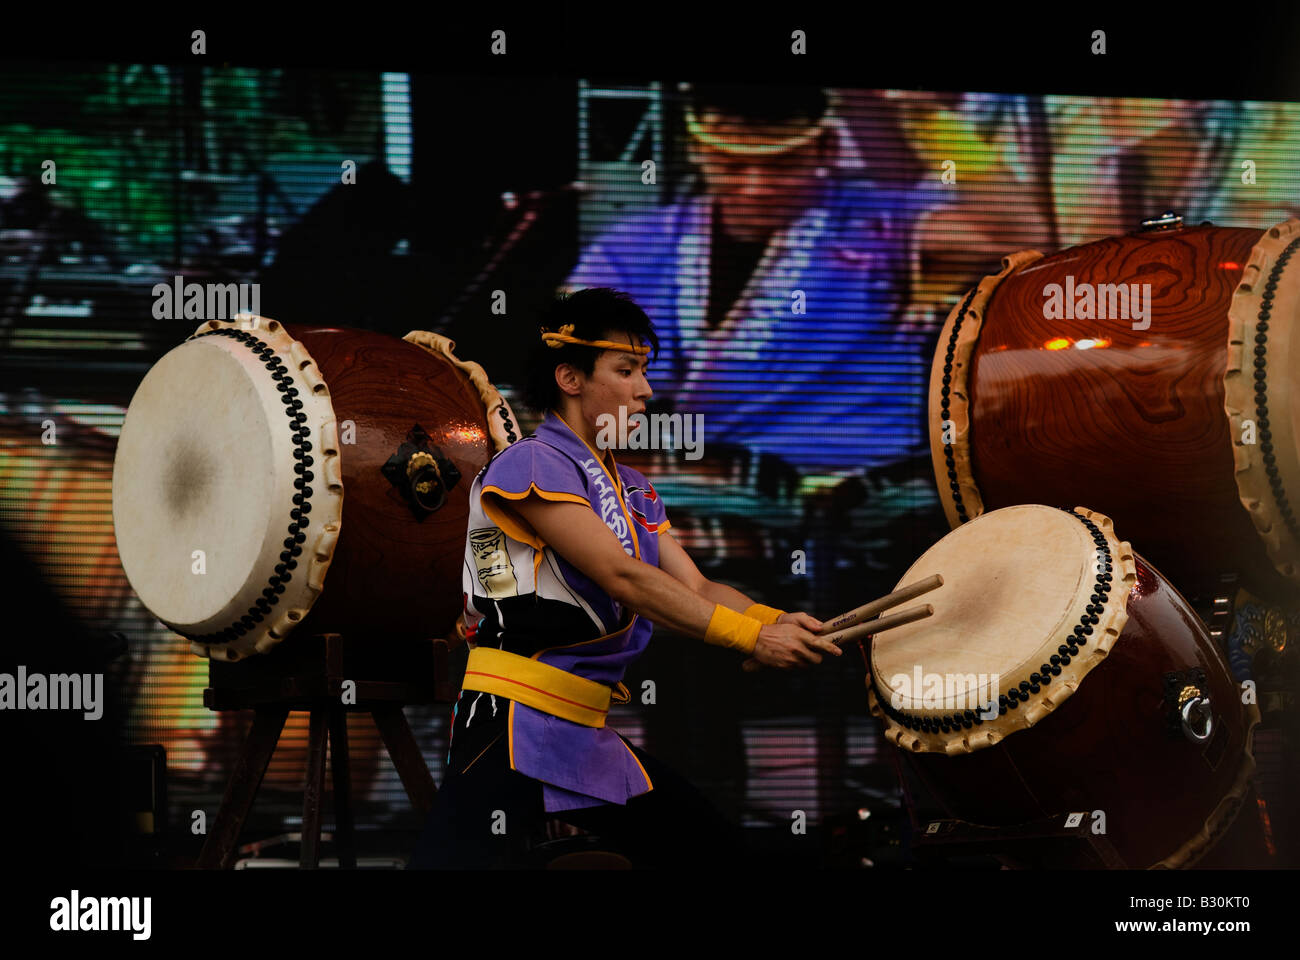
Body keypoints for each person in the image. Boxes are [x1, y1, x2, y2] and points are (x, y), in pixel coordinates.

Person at [409, 287, 838, 868]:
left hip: (579, 728)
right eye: (626, 369)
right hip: (510, 719)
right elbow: (622, 577)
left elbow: (697, 588)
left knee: (707, 848)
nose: (646, 390)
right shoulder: (532, 464)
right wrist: (751, 639)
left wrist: (775, 620)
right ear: (570, 377)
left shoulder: (631, 486)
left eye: (644, 371)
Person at [564, 83, 937, 476]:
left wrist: (933, 126)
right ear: (695, 148)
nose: (756, 186)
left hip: (857, 491)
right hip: (702, 484)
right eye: (730, 164)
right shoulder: (631, 245)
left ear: (826, 148)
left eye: (782, 165)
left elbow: (999, 233)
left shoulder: (887, 226)